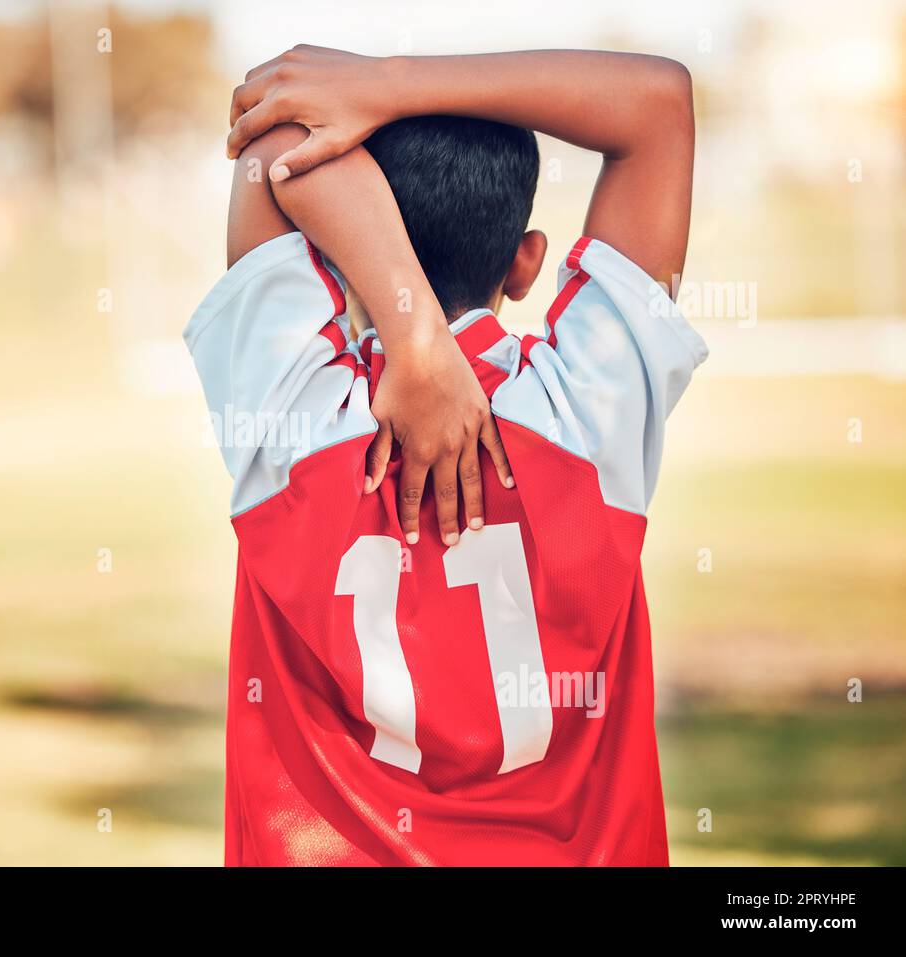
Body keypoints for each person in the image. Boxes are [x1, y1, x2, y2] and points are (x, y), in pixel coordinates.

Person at [185, 47, 707, 865]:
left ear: (326, 253)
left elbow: (269, 140)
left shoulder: (295, 421)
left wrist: (410, 331)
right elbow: (658, 104)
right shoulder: (589, 413)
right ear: (526, 261)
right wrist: (388, 87)